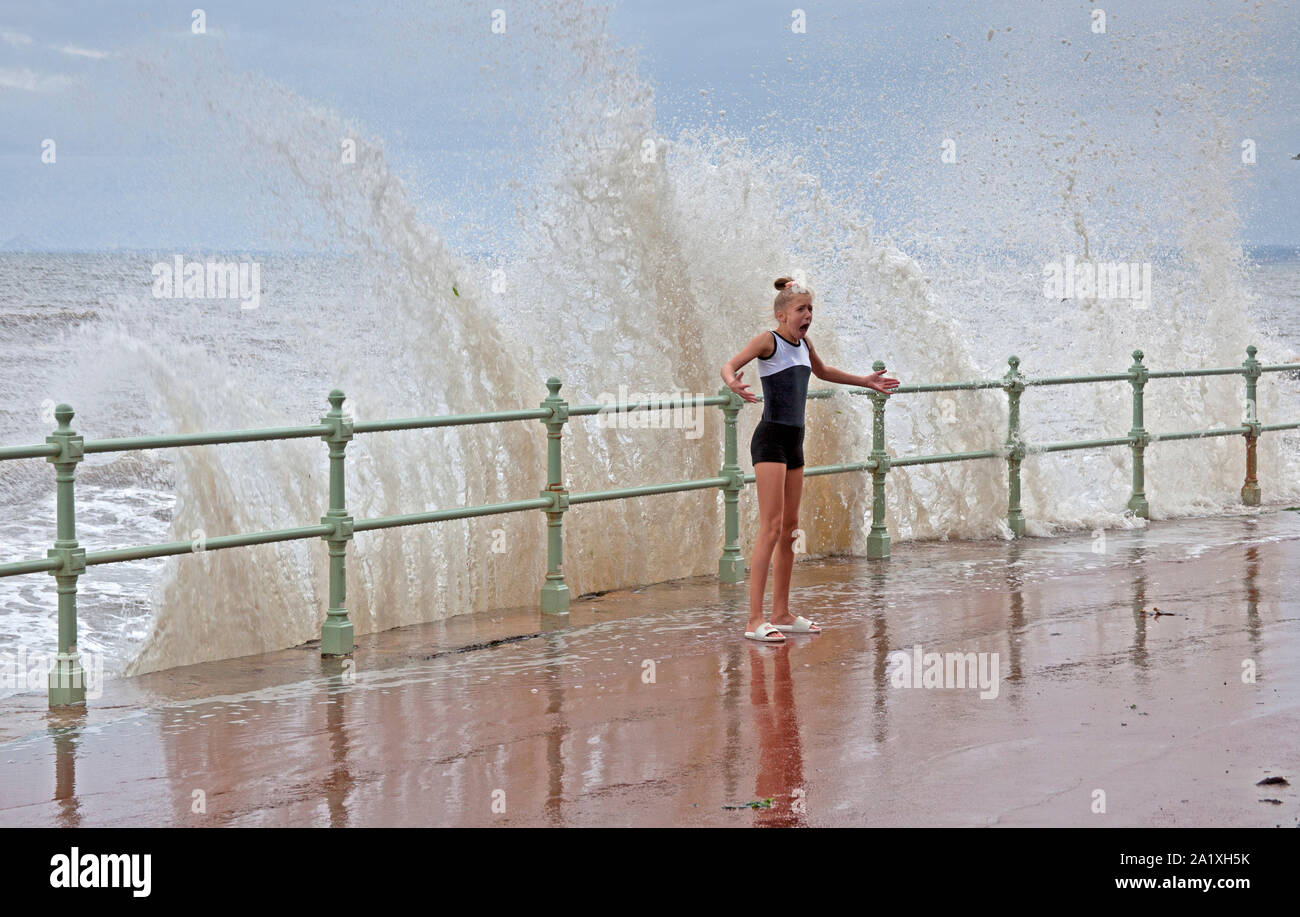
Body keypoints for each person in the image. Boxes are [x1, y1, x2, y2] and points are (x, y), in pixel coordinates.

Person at [721, 276, 900, 643]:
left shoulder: (804, 344)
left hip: (795, 442)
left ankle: (781, 613)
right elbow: (730, 365)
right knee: (770, 528)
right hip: (770, 440)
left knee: (789, 529)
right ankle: (755, 619)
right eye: (801, 310)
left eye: (811, 309)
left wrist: (865, 381)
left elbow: (822, 371)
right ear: (781, 314)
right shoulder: (768, 341)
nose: (808, 316)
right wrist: (733, 382)